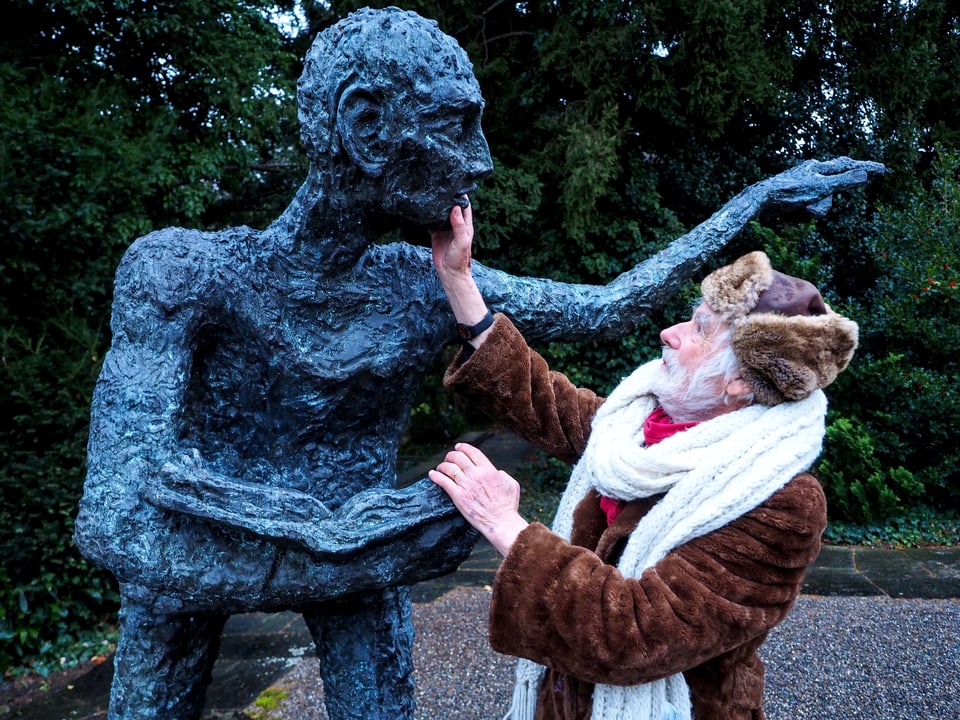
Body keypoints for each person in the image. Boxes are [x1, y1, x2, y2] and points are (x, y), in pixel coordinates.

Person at [73, 7, 882, 719]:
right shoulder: (185, 273)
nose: (483, 160)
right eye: (459, 126)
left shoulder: (414, 286)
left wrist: (752, 203)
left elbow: (607, 304)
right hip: (305, 565)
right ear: (362, 124)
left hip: (357, 565)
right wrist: (341, 541)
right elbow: (116, 515)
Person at [428, 200, 859, 720]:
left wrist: (506, 527)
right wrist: (458, 280)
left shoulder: (784, 504)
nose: (669, 333)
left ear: (740, 383)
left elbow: (630, 637)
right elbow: (544, 401)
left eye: (699, 329)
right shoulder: (639, 426)